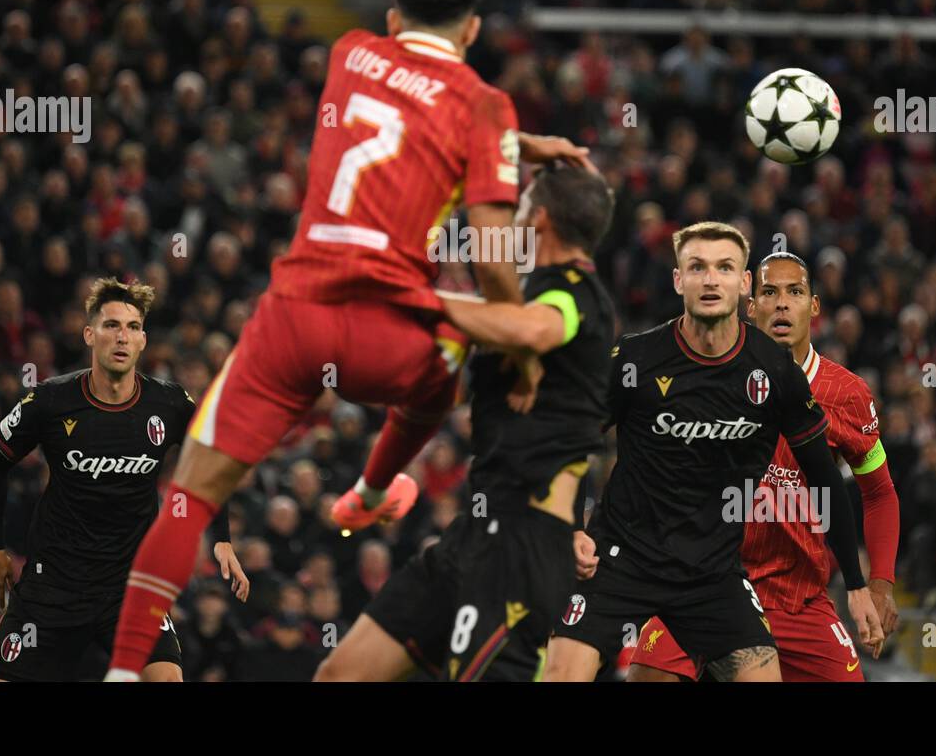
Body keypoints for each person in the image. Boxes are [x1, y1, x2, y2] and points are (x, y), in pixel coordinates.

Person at [104, 0, 589, 681]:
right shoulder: (485, 105)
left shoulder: (351, 52)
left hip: (295, 319)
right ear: (473, 30)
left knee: (189, 500)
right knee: (448, 367)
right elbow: (492, 250)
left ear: (393, 18)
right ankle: (370, 489)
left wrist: (507, 144)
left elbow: (400, 110)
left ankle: (117, 673)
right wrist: (519, 351)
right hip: (391, 338)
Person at [543, 223, 883, 681]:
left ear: (743, 284)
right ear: (678, 279)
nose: (710, 280)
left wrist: (858, 585)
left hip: (712, 574)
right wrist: (569, 529)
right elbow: (570, 436)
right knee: (563, 673)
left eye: (724, 268)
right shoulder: (635, 360)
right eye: (697, 267)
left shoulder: (774, 371)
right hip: (621, 557)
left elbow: (825, 478)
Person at [315, 166, 615, 681]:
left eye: (520, 207)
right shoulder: (521, 297)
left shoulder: (575, 292)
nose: (513, 218)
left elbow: (535, 331)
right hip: (473, 535)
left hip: (521, 546)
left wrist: (414, 300)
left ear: (538, 218)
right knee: (339, 674)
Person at [629, 252, 901, 681]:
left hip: (798, 599)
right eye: (769, 292)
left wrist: (880, 583)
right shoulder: (703, 379)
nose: (781, 304)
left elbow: (880, 492)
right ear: (750, 306)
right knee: (649, 676)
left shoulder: (847, 394)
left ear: (813, 306)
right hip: (707, 583)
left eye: (794, 292)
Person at [0, 278, 247, 681]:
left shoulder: (169, 403)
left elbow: (210, 460)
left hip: (129, 586)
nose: (122, 337)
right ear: (89, 335)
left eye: (132, 328)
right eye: (111, 325)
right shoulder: (50, 400)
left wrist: (221, 536)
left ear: (143, 341)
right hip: (54, 587)